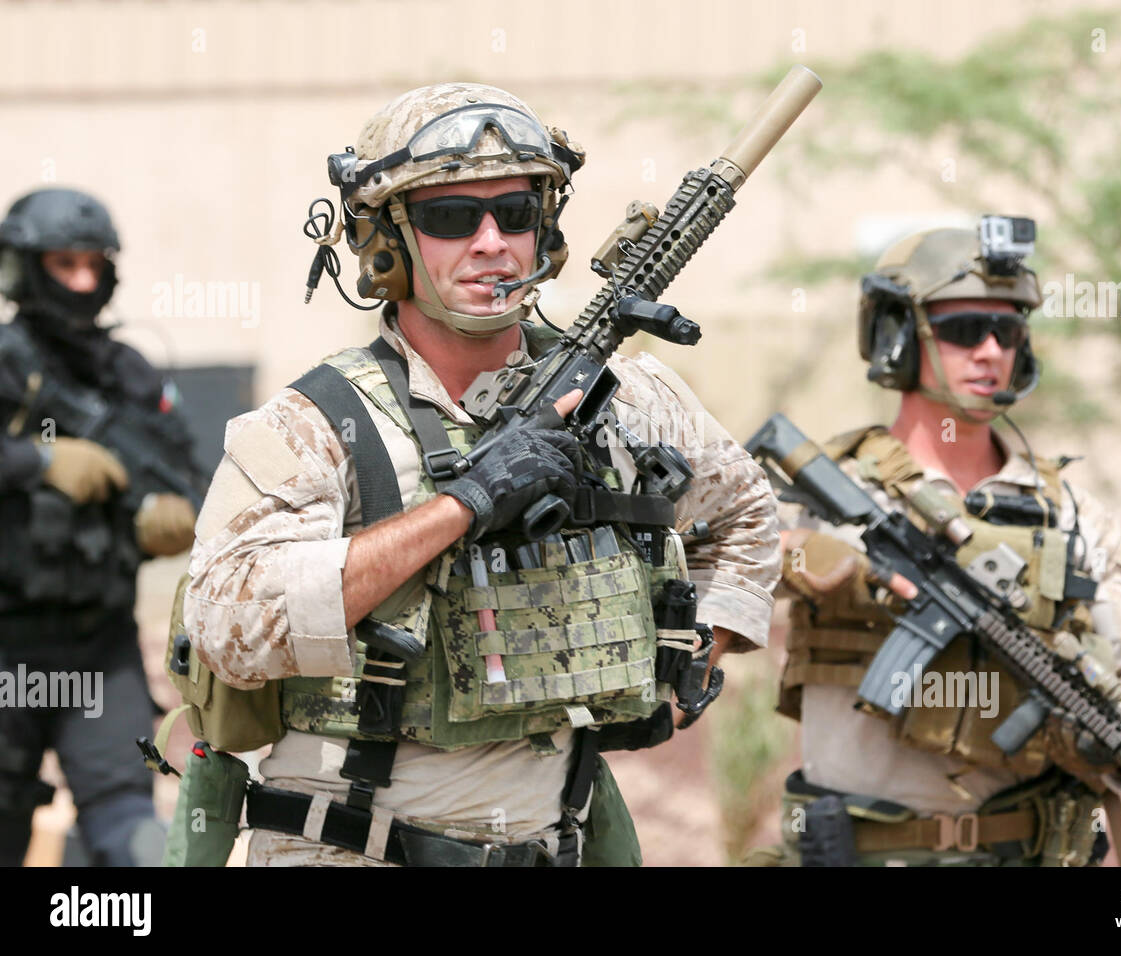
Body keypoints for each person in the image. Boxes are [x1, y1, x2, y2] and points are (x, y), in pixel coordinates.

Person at [182, 83, 780, 867]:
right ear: (387, 242)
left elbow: (748, 515)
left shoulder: (629, 398)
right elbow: (228, 629)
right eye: (451, 217)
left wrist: (689, 645)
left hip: (552, 843)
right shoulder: (317, 423)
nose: (493, 242)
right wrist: (465, 503)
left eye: (517, 214)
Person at [761, 220, 1121, 866]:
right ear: (901, 335)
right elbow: (718, 572)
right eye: (966, 329)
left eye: (1010, 331)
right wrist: (817, 563)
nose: (992, 351)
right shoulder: (825, 491)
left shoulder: (1071, 513)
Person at [0, 187, 201, 866]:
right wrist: (37, 460)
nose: (84, 282)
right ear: (24, 267)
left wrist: (170, 518)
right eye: (65, 264)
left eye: (95, 264)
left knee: (135, 837)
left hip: (99, 644)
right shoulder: (7, 360)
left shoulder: (128, 372)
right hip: (5, 642)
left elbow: (189, 478)